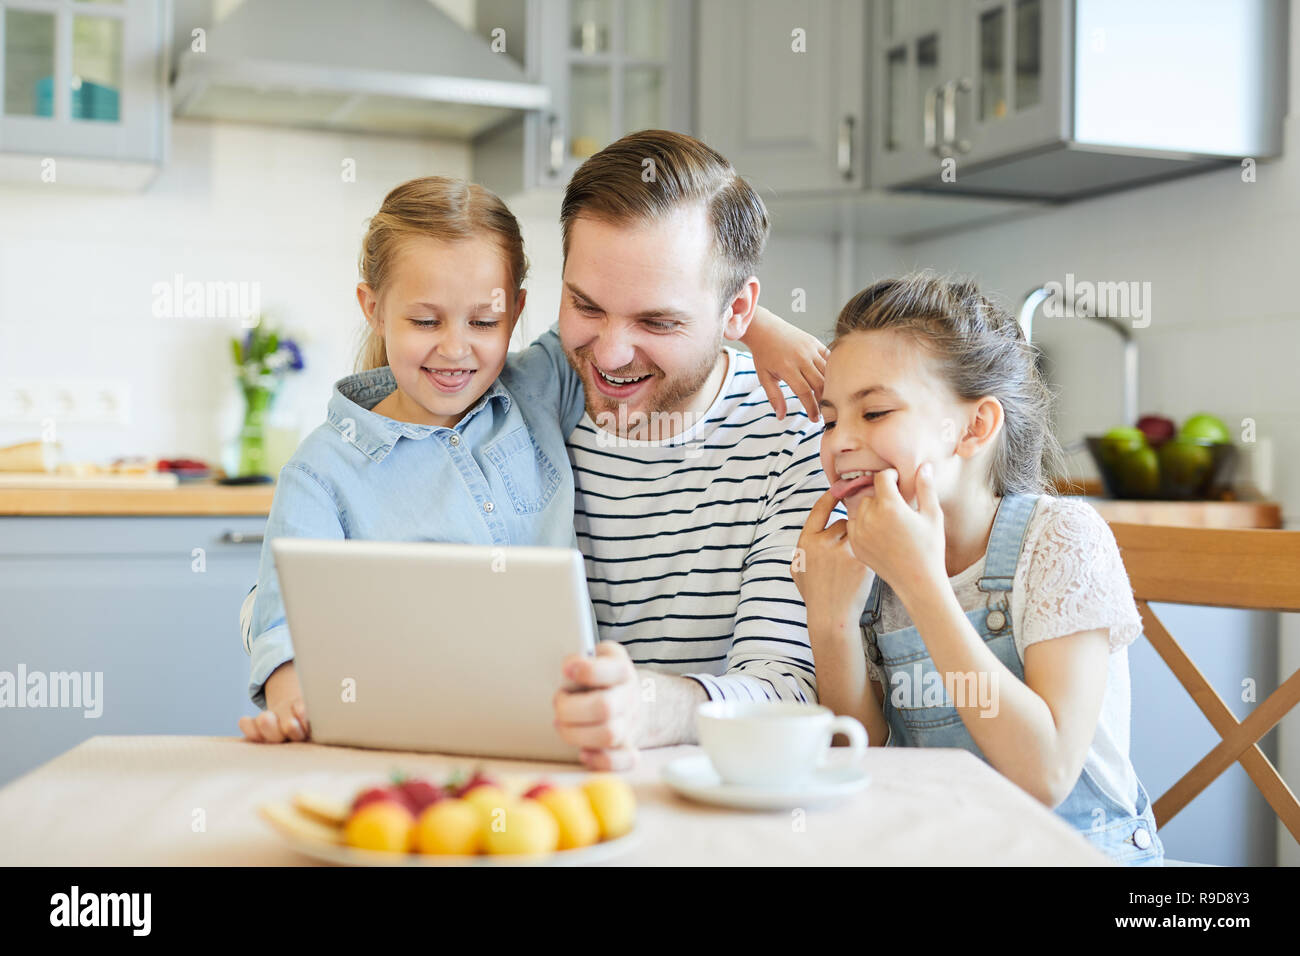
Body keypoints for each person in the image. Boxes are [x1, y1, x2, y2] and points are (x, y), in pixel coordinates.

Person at [238, 171, 826, 744]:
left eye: (484, 321)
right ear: (373, 308)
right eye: (424, 320)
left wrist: (755, 327)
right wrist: (296, 702)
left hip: (555, 743)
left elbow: (788, 690)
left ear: (514, 313)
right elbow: (279, 615)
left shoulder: (534, 388)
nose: (454, 348)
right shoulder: (324, 469)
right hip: (409, 738)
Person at [793, 271, 1164, 865]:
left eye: (877, 412)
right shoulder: (869, 556)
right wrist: (830, 620)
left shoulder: (1060, 540)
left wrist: (921, 582)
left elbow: (1046, 774)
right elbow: (864, 758)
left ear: (974, 427)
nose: (840, 442)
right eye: (831, 419)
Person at [548, 130, 843, 770]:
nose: (609, 354)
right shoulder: (530, 400)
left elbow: (786, 687)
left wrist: (643, 707)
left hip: (713, 800)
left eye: (657, 322)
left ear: (738, 310)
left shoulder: (796, 437)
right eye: (585, 306)